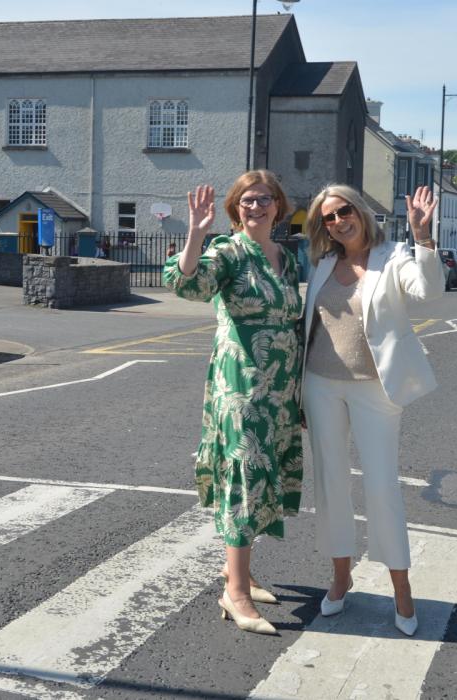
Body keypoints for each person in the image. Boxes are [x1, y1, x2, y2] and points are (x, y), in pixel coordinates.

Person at [163, 170, 303, 636]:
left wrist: (298, 394)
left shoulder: (287, 256)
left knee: (264, 479)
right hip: (241, 387)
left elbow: (297, 326)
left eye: (264, 199)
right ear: (235, 208)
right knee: (245, 476)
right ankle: (236, 594)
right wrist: (195, 236)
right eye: (247, 200)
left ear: (278, 206)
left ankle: (237, 571)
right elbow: (188, 285)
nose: (256, 206)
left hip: (280, 390)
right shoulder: (228, 251)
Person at [301, 183, 443, 638]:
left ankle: (401, 586)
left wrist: (423, 238)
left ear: (361, 211)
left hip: (374, 389)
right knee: (331, 484)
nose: (339, 220)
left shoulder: (394, 257)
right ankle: (341, 576)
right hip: (321, 386)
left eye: (345, 210)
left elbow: (429, 293)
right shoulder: (324, 264)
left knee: (382, 487)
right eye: (328, 217)